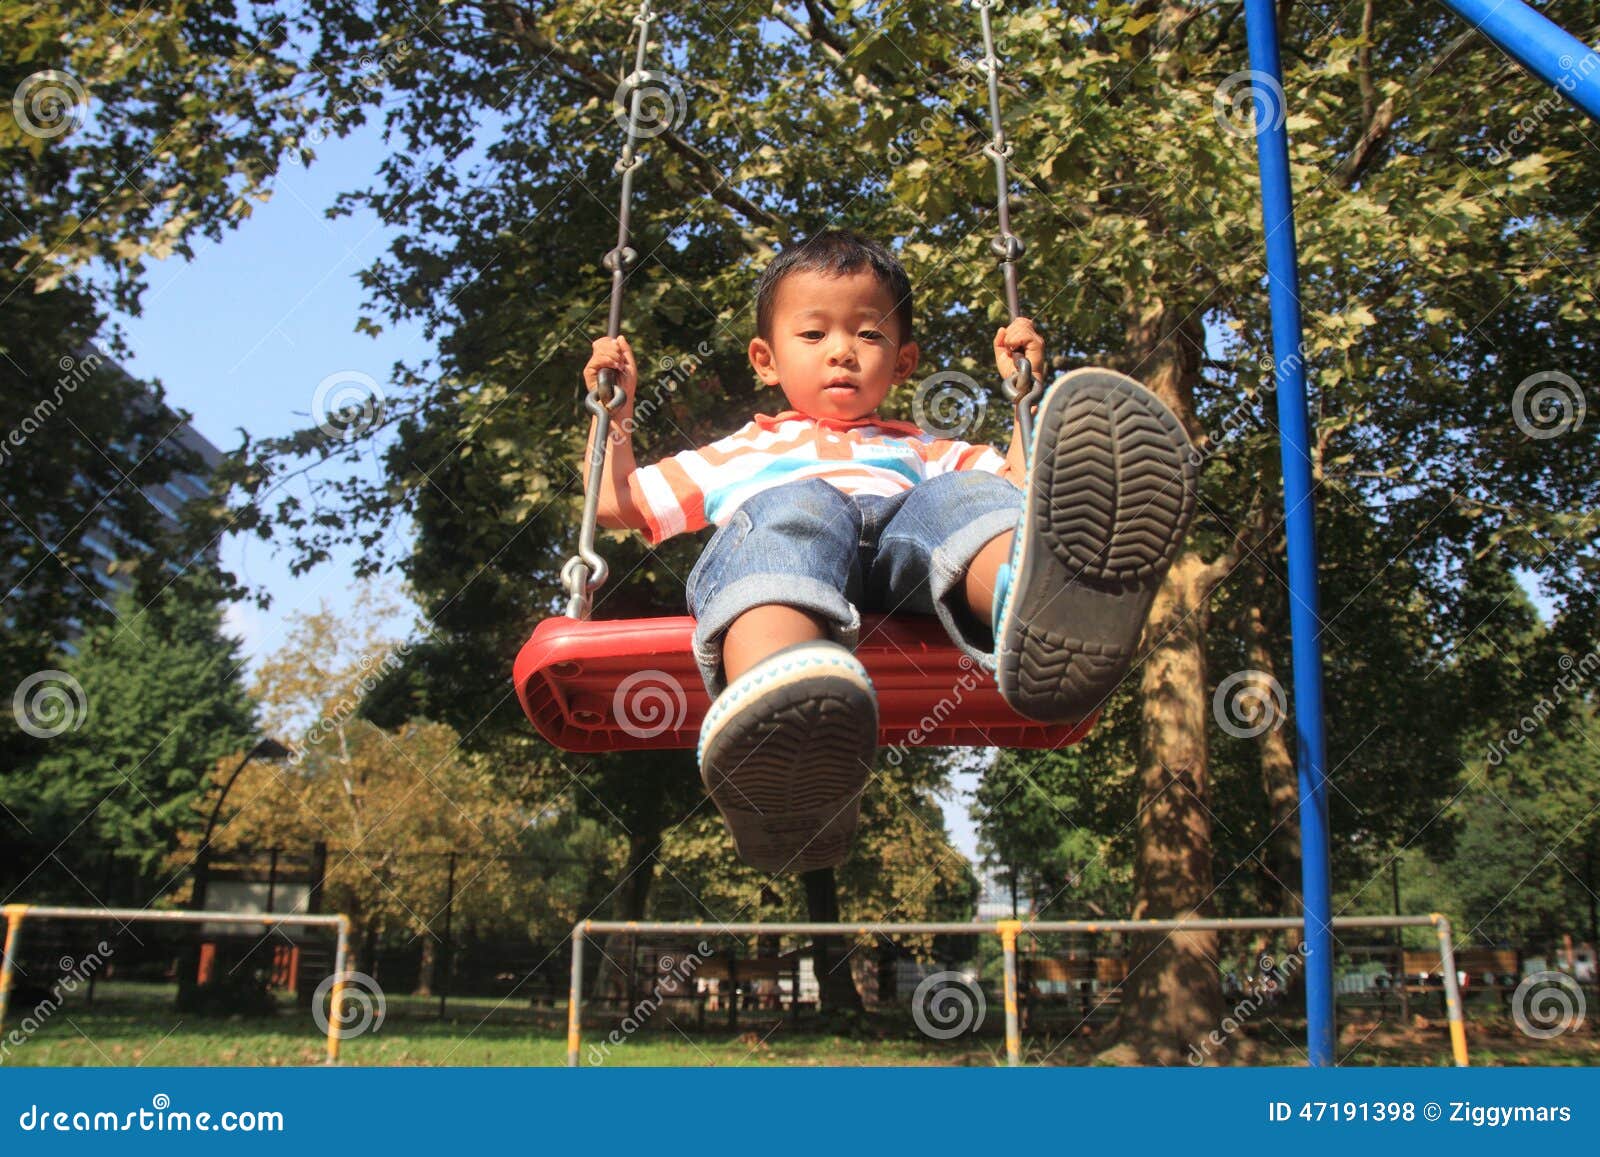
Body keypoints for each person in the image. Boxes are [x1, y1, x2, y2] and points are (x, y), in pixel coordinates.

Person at [582, 230, 1195, 873]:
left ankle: (1040, 604)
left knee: (966, 497)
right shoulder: (741, 452)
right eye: (814, 335)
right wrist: (613, 408)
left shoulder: (928, 450)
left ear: (902, 363)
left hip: (911, 566)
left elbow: (1021, 483)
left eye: (869, 335)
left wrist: (1027, 395)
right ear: (766, 360)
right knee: (793, 513)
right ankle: (780, 709)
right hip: (798, 567)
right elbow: (617, 501)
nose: (843, 351)